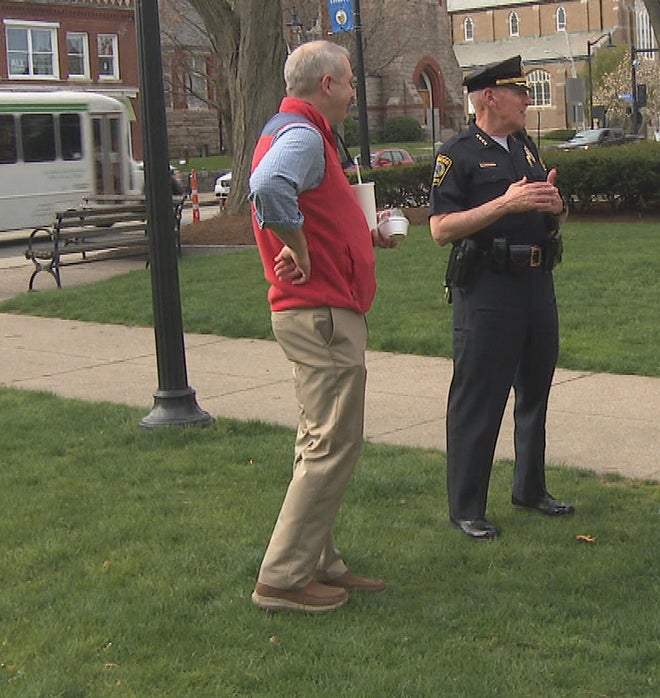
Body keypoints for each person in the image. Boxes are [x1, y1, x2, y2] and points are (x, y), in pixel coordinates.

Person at [249, 40, 398, 613]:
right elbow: (266, 189)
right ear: (327, 85)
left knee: (319, 440)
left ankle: (318, 561)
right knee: (333, 443)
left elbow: (292, 203)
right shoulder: (305, 135)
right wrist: (302, 251)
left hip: (316, 309)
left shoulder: (296, 130)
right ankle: (283, 579)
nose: (356, 89)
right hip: (321, 313)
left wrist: (357, 237)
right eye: (351, 80)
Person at [429, 56, 572, 541]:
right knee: (479, 397)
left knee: (535, 388)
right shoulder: (459, 154)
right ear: (490, 96)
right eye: (520, 92)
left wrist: (557, 209)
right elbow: (441, 229)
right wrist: (503, 203)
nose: (528, 100)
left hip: (536, 283)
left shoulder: (526, 149)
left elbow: (547, 211)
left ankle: (530, 489)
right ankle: (467, 507)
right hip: (488, 289)